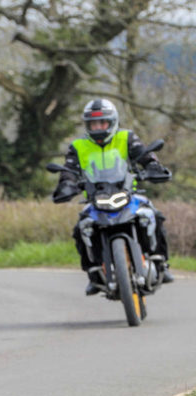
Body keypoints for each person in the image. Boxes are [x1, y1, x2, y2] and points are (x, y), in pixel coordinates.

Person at [52, 98, 173, 294]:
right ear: (87, 125)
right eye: (93, 123)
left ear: (112, 121)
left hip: (128, 195)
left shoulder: (126, 137)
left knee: (154, 216)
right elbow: (68, 170)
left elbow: (143, 154)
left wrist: (153, 166)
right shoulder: (78, 146)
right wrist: (66, 185)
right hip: (95, 199)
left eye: (102, 122)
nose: (98, 127)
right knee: (81, 228)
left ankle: (161, 262)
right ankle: (93, 273)